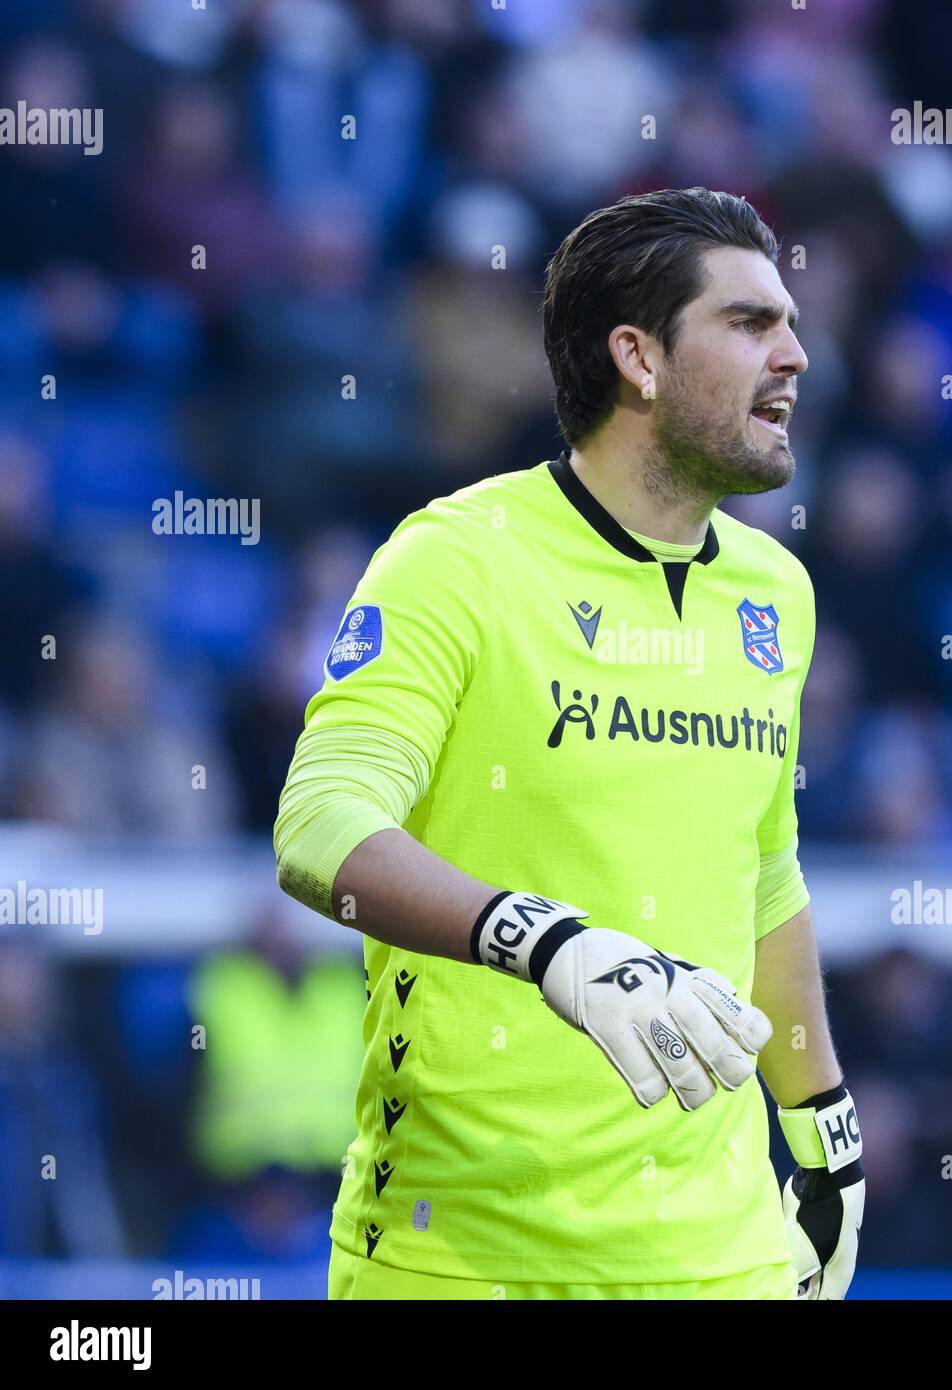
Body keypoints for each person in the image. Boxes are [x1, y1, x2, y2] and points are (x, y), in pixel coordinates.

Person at [274, 187, 864, 1300]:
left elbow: (764, 872)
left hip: (716, 1259)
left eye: (788, 322)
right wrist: (544, 943)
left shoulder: (775, 591)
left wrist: (824, 1127)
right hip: (457, 1252)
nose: (794, 354)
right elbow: (319, 827)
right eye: (749, 324)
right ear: (638, 358)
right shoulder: (457, 558)